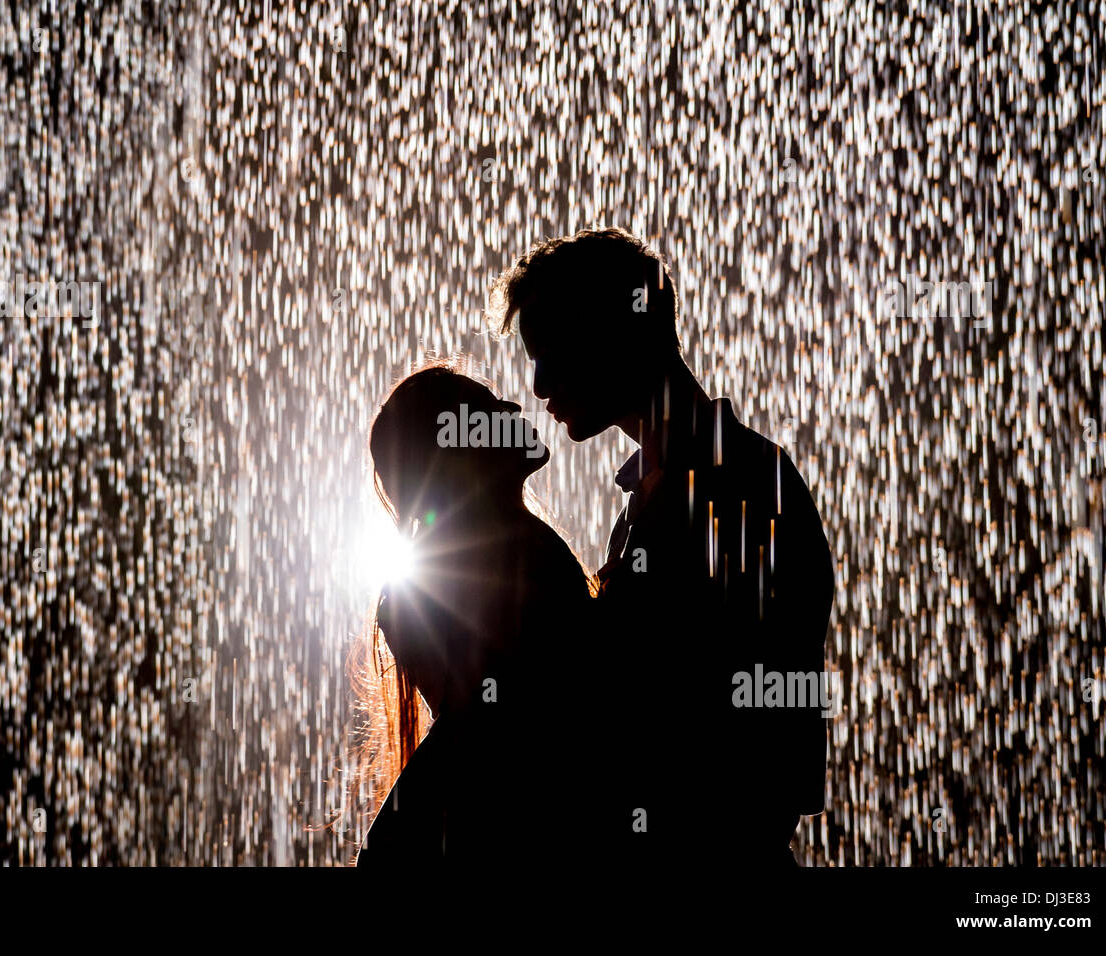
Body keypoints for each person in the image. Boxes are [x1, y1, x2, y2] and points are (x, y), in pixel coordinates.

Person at [489, 227, 835, 866]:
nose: (537, 388)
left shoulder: (745, 488)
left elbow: (767, 754)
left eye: (548, 355)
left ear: (608, 333)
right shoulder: (672, 488)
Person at [353, 364, 594, 867]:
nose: (511, 408)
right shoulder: (509, 560)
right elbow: (515, 731)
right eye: (485, 408)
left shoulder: (427, 581)